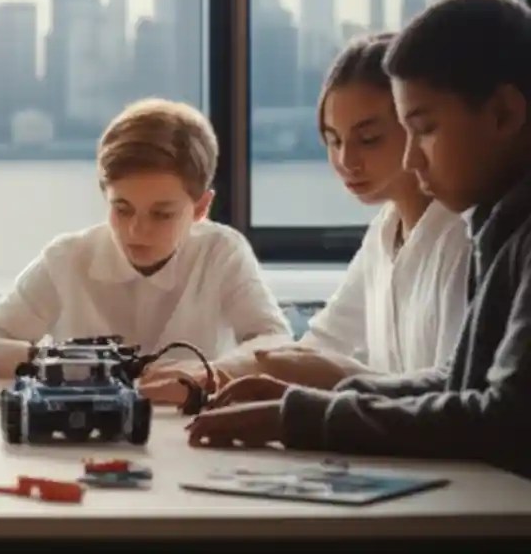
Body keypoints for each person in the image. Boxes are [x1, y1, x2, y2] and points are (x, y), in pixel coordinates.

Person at [187, 0, 531, 479]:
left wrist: (305, 415)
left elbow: (504, 421)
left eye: (425, 129)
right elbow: (458, 386)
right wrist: (299, 401)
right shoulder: (498, 229)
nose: (411, 160)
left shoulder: (497, 236)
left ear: (504, 115)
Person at [140, 33, 470, 403]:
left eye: (370, 138)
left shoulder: (462, 239)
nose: (346, 161)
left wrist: (338, 377)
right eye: (333, 140)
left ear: (414, 126)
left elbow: (454, 396)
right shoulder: (385, 233)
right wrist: (210, 375)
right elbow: (321, 344)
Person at [0, 98, 293, 379]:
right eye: (122, 209)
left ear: (200, 208)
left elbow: (275, 341)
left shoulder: (222, 253)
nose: (136, 231)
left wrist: (207, 373)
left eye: (162, 214)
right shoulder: (67, 258)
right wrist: (56, 362)